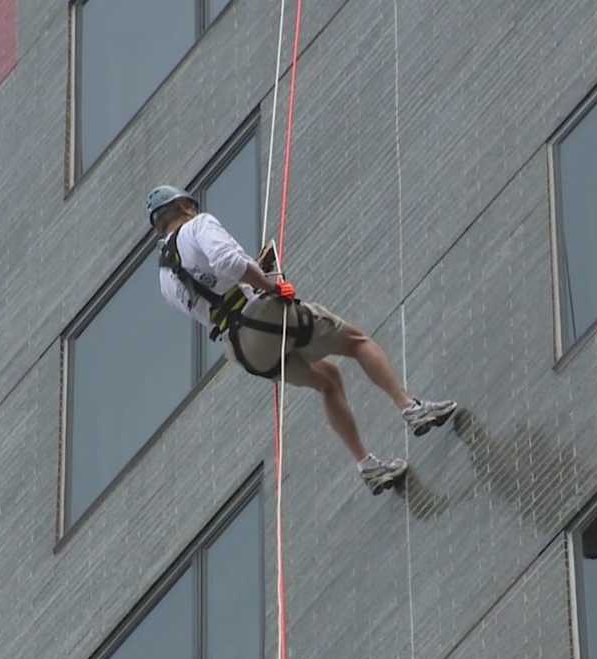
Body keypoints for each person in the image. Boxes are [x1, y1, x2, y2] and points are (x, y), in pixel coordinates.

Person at [146, 185, 457, 495]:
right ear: (186, 207)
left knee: (328, 380)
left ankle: (367, 466)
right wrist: (270, 287)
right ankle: (411, 408)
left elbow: (213, 295)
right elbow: (229, 264)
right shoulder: (198, 226)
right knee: (357, 342)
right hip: (263, 315)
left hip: (243, 349)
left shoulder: (164, 279)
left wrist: (254, 279)